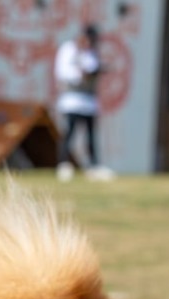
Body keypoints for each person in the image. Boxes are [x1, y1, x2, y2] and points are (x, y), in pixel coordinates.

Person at [54, 24, 113, 181]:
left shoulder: (91, 53)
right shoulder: (68, 50)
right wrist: (81, 74)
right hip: (72, 99)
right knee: (69, 134)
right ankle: (64, 165)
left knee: (90, 135)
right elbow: (64, 73)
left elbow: (92, 69)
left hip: (89, 101)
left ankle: (94, 166)